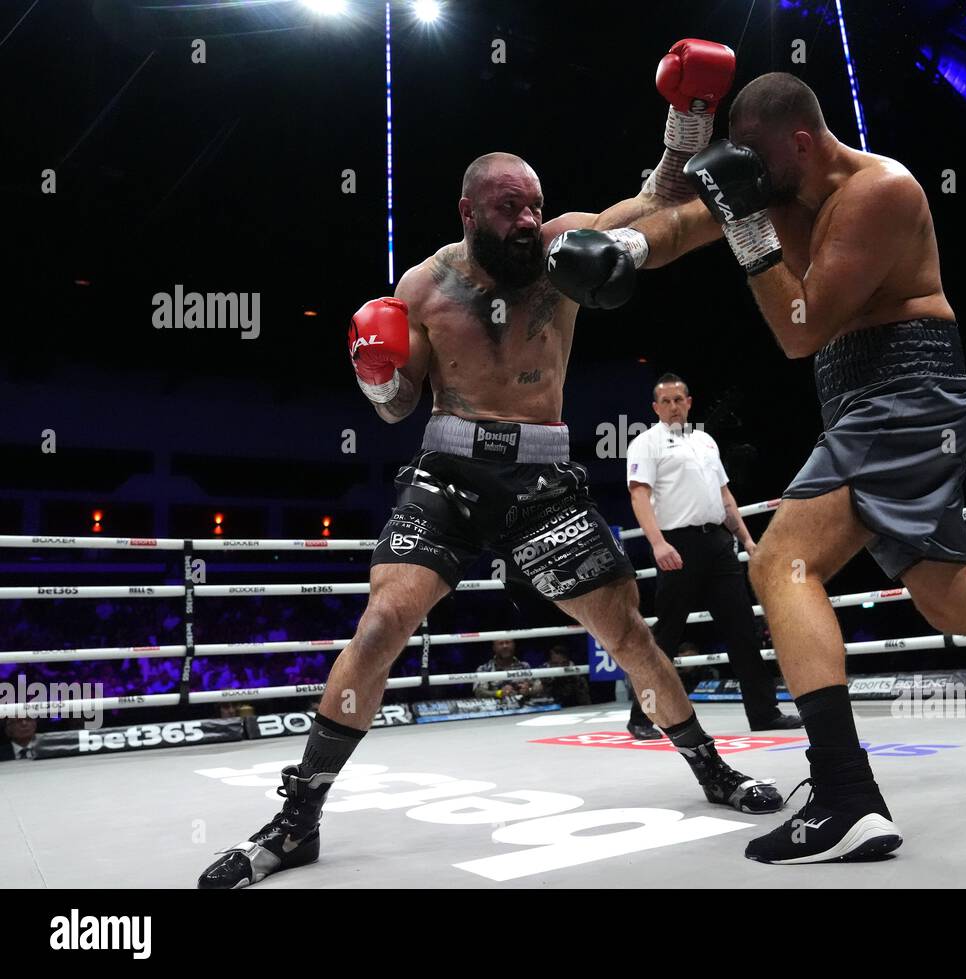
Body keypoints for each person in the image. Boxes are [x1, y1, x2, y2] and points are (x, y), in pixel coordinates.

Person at [550, 72, 966, 865]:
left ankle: (846, 794)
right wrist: (621, 243)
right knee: (951, 600)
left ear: (801, 142)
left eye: (752, 158)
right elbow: (674, 222)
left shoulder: (880, 190)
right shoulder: (775, 191)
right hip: (866, 400)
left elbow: (801, 328)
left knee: (782, 559)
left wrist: (744, 224)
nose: (743, 176)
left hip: (907, 387)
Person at [198, 39, 781, 890]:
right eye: (509, 207)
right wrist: (375, 378)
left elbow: (660, 196)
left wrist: (686, 114)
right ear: (468, 209)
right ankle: (298, 818)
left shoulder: (561, 252)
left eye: (533, 204)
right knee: (380, 623)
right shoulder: (423, 287)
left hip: (543, 478)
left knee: (627, 633)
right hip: (447, 472)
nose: (525, 220)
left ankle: (712, 771)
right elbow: (402, 408)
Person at [624, 372, 800, 737]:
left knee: (743, 630)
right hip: (677, 544)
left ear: (688, 403)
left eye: (679, 400)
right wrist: (657, 543)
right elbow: (639, 496)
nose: (673, 407)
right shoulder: (646, 443)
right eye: (666, 401)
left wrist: (749, 542)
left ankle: (764, 713)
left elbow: (725, 498)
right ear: (656, 408)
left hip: (719, 545)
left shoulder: (705, 442)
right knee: (667, 635)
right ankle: (641, 717)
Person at [472, 638, 540, 700]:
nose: (505, 646)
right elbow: (479, 692)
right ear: (494, 648)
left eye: (508, 642)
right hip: (495, 710)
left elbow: (539, 686)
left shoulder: (524, 666)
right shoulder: (484, 669)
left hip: (524, 710)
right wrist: (499, 693)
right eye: (501, 643)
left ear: (514, 645)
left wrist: (529, 690)